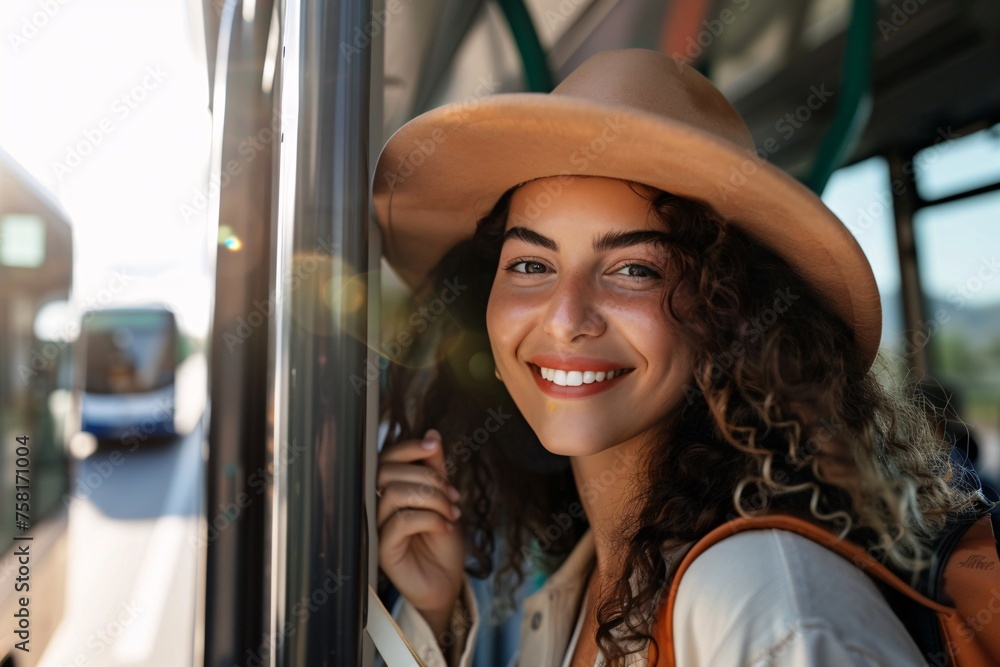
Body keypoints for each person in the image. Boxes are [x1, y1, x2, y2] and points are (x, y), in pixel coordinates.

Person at [371, 49, 983, 667]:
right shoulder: (586, 582)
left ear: (730, 316)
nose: (563, 317)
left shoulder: (759, 597)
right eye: (531, 264)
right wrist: (434, 621)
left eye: (635, 269)